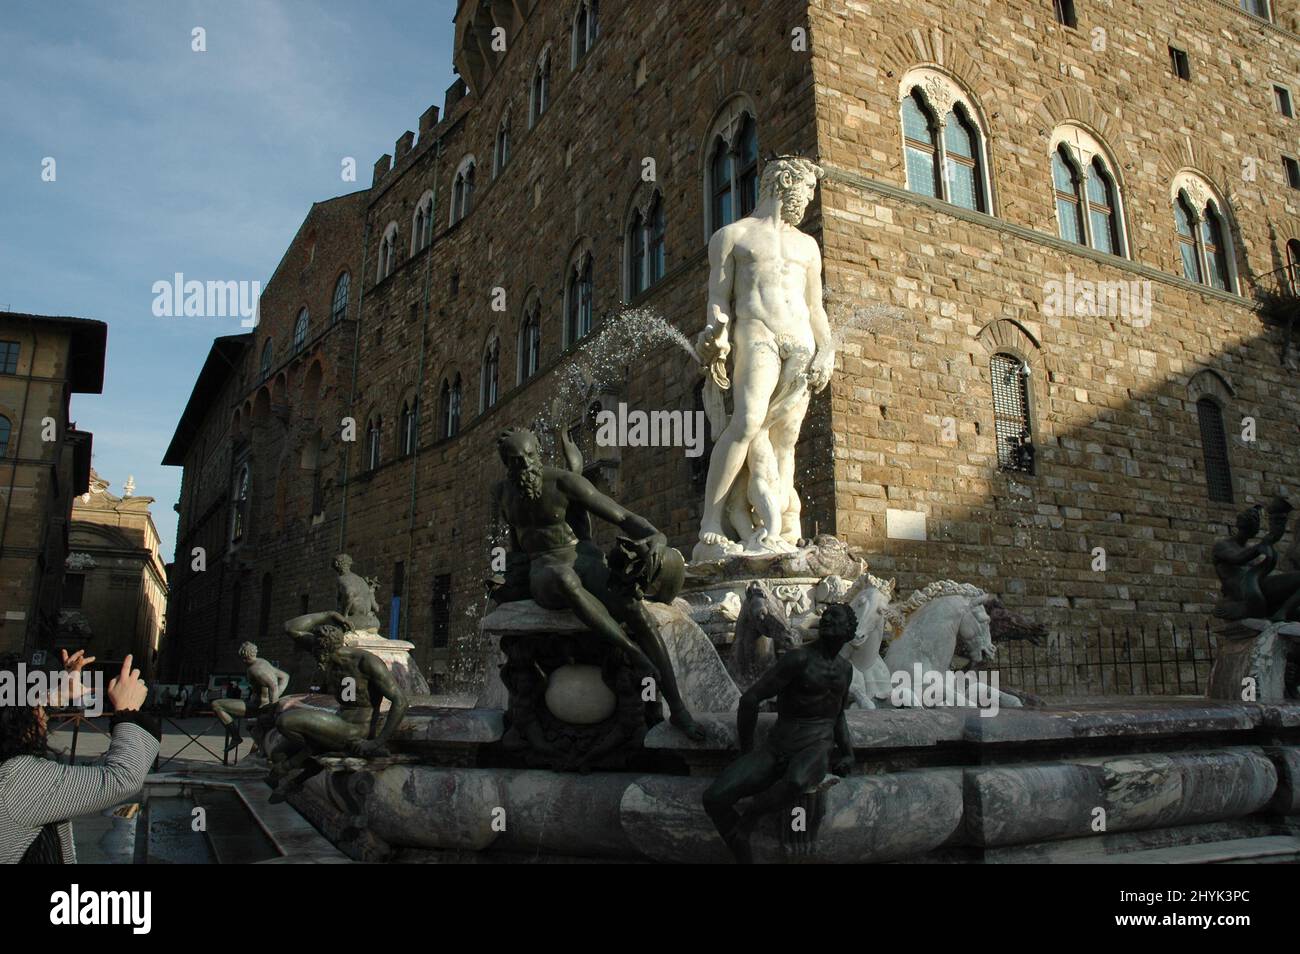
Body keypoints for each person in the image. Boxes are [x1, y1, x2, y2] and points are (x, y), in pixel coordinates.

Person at [703, 603, 857, 863]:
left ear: (850, 630)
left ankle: (748, 820)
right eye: (826, 616)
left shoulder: (846, 670)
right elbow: (750, 700)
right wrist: (746, 751)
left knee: (796, 780)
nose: (828, 619)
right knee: (713, 798)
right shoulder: (798, 659)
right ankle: (744, 854)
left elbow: (837, 715)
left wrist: (848, 753)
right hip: (777, 746)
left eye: (836, 618)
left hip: (816, 745)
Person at [0, 653, 157, 864]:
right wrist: (127, 712)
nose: (43, 714)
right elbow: (122, 778)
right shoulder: (16, 779)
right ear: (18, 717)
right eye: (37, 703)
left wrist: (60, 691)